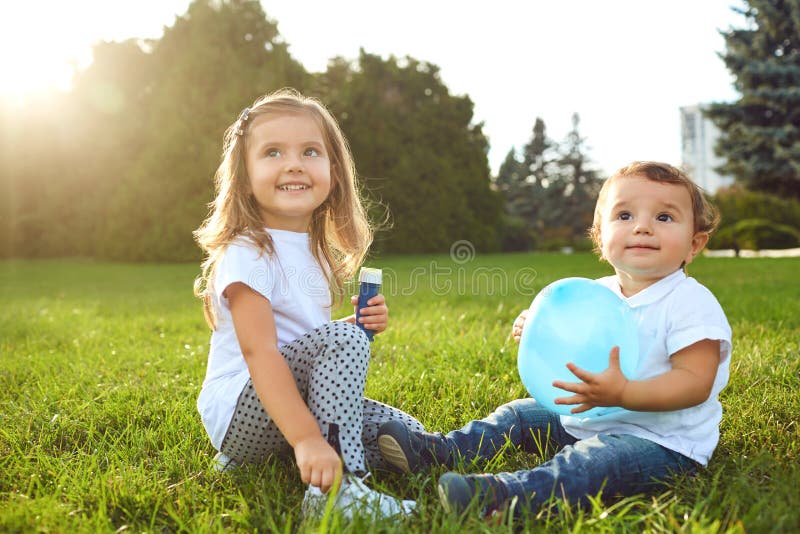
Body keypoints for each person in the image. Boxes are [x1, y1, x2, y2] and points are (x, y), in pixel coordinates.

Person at [377, 161, 732, 518]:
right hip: (584, 418)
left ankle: (506, 496)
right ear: (599, 237)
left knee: (595, 461)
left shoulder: (690, 303)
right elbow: (574, 339)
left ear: (694, 244)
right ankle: (440, 452)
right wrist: (537, 328)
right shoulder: (594, 293)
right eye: (624, 216)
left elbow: (695, 382)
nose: (642, 227)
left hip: (659, 443)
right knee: (518, 415)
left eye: (664, 218)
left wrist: (623, 394)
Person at [193, 89, 424, 519]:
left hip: (281, 407)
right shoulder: (247, 250)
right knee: (342, 343)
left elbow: (303, 338)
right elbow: (260, 352)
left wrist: (356, 325)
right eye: (273, 152)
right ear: (244, 175)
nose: (293, 163)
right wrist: (307, 440)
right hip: (242, 409)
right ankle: (337, 496)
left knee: (406, 435)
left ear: (333, 172)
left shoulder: (312, 251)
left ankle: (264, 462)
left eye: (310, 151)